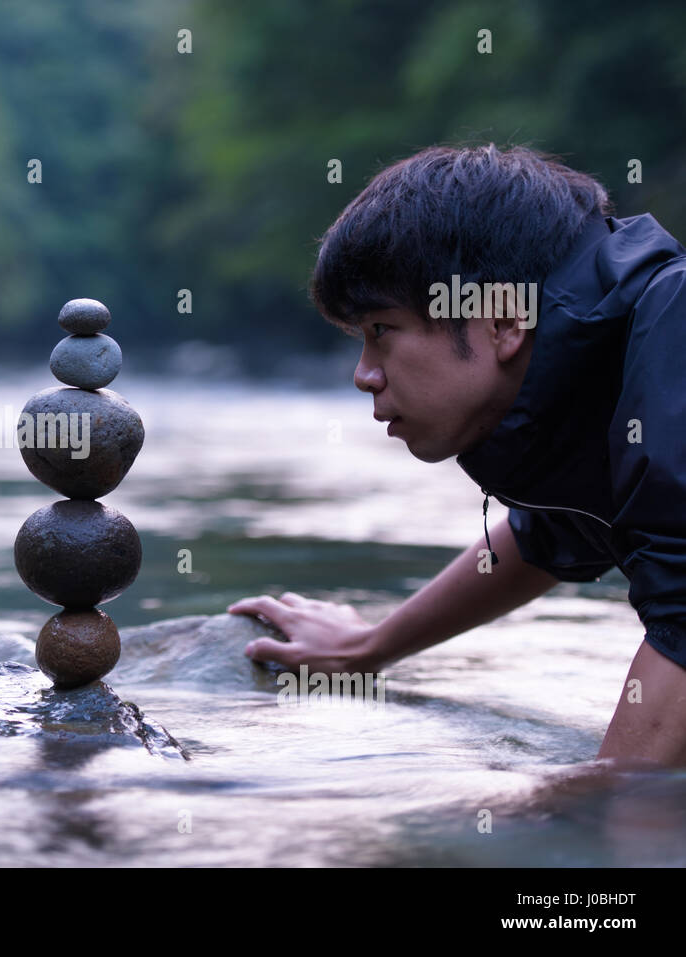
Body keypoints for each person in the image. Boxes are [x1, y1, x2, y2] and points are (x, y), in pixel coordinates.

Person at [228, 143, 686, 766]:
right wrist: (367, 648)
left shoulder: (672, 346)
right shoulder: (601, 356)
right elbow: (554, 532)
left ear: (500, 321)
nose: (364, 375)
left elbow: (635, 780)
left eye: (381, 331)